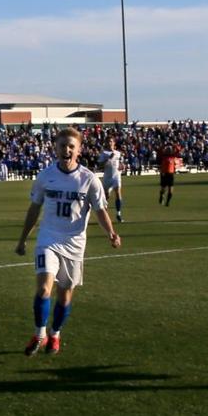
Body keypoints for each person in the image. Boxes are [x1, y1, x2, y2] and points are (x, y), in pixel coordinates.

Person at [15, 127, 121, 355]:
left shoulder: (88, 179)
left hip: (74, 244)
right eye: (62, 145)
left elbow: (100, 210)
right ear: (56, 148)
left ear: (79, 150)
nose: (67, 150)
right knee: (44, 288)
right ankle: (40, 334)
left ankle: (55, 334)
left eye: (71, 146)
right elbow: (34, 209)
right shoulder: (45, 176)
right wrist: (23, 239)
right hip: (48, 239)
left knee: (64, 296)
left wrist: (111, 233)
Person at [98, 141, 125, 222]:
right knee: (106, 197)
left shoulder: (118, 153)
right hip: (107, 177)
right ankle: (105, 215)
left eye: (111, 141)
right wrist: (108, 158)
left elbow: (120, 163)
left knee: (118, 193)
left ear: (114, 143)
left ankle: (118, 214)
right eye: (108, 142)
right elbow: (100, 166)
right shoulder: (104, 153)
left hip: (116, 176)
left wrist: (122, 166)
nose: (110, 143)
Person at [156, 141, 181, 206]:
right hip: (164, 174)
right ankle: (161, 196)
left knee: (171, 190)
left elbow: (178, 150)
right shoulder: (163, 156)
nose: (169, 150)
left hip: (170, 174)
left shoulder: (173, 156)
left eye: (170, 149)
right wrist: (164, 145)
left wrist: (173, 145)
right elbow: (159, 150)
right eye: (167, 149)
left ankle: (167, 202)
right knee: (163, 189)